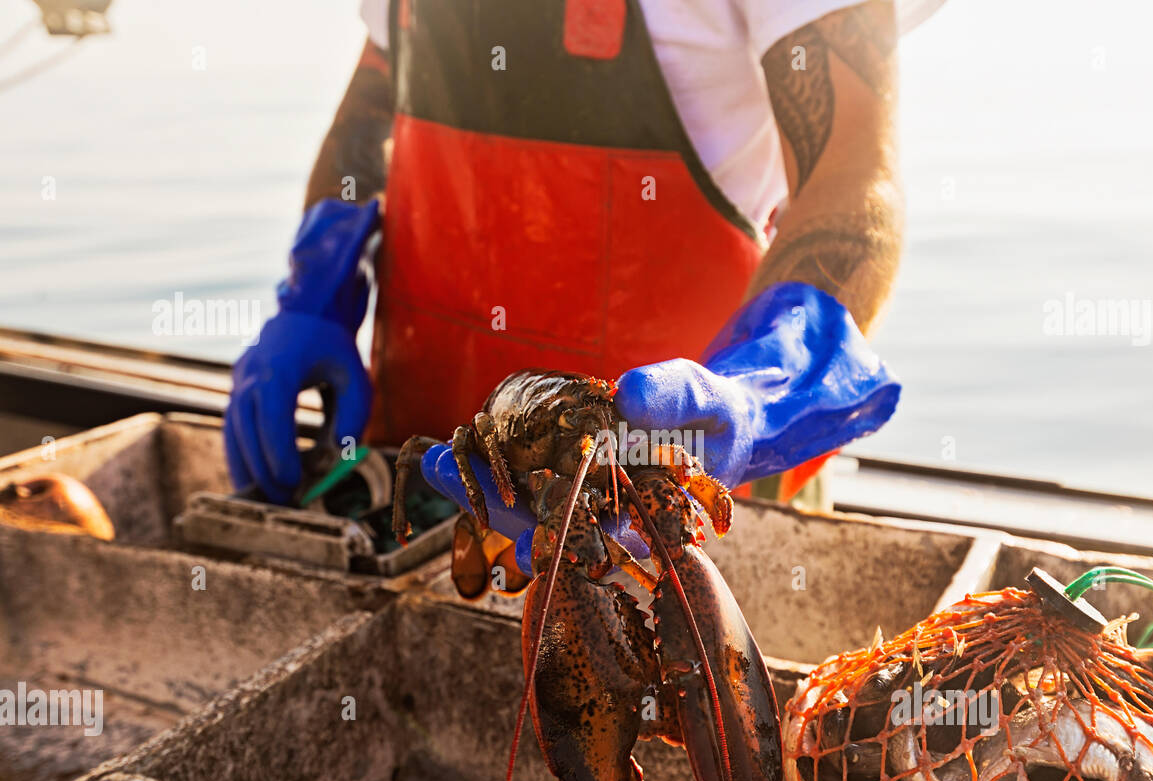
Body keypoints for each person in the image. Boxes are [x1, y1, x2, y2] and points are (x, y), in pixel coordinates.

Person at [224, 0, 945, 560]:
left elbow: (854, 171)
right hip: (429, 503)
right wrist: (318, 289)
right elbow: (372, 106)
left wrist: (767, 382)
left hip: (670, 515)